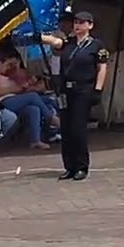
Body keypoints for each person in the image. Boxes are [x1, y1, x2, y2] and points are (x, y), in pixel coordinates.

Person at [40, 11, 109, 180]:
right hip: (66, 90)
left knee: (78, 129)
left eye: (82, 22)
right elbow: (55, 42)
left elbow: (102, 68)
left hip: (84, 90)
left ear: (90, 25)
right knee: (66, 129)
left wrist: (98, 90)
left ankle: (81, 166)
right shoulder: (69, 43)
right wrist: (40, 37)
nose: (78, 25)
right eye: (76, 22)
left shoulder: (97, 46)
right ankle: (69, 166)